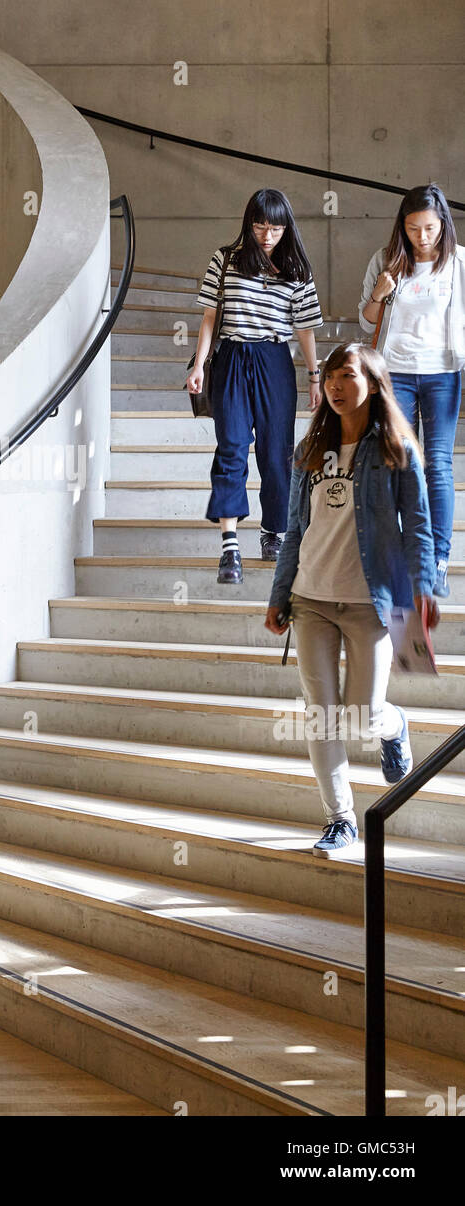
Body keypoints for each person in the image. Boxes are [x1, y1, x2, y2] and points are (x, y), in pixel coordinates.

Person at [265, 342, 438, 854]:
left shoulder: (396, 449)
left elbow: (420, 529)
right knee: (321, 713)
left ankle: (395, 725)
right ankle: (340, 818)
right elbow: (295, 529)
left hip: (372, 602)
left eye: (347, 375)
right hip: (311, 600)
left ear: (373, 382)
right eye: (330, 377)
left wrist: (422, 594)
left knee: (362, 716)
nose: (336, 386)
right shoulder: (309, 451)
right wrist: (280, 594)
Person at [187, 188, 323, 585]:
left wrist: (315, 377)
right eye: (260, 227)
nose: (267, 236)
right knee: (231, 446)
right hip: (230, 358)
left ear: (286, 228)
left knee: (276, 452)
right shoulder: (225, 259)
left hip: (274, 362)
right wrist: (198, 365)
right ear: (249, 223)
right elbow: (210, 316)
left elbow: (305, 328)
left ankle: (273, 532)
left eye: (276, 228)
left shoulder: (296, 269)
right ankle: (230, 545)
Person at [358, 182, 465, 598]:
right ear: (402, 226)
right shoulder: (385, 261)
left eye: (430, 229)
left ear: (443, 226)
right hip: (395, 375)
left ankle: (437, 559)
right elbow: (367, 323)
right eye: (414, 228)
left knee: (438, 463)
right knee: (398, 462)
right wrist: (378, 294)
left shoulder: (457, 263)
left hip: (442, 374)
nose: (423, 237)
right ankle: (400, 556)